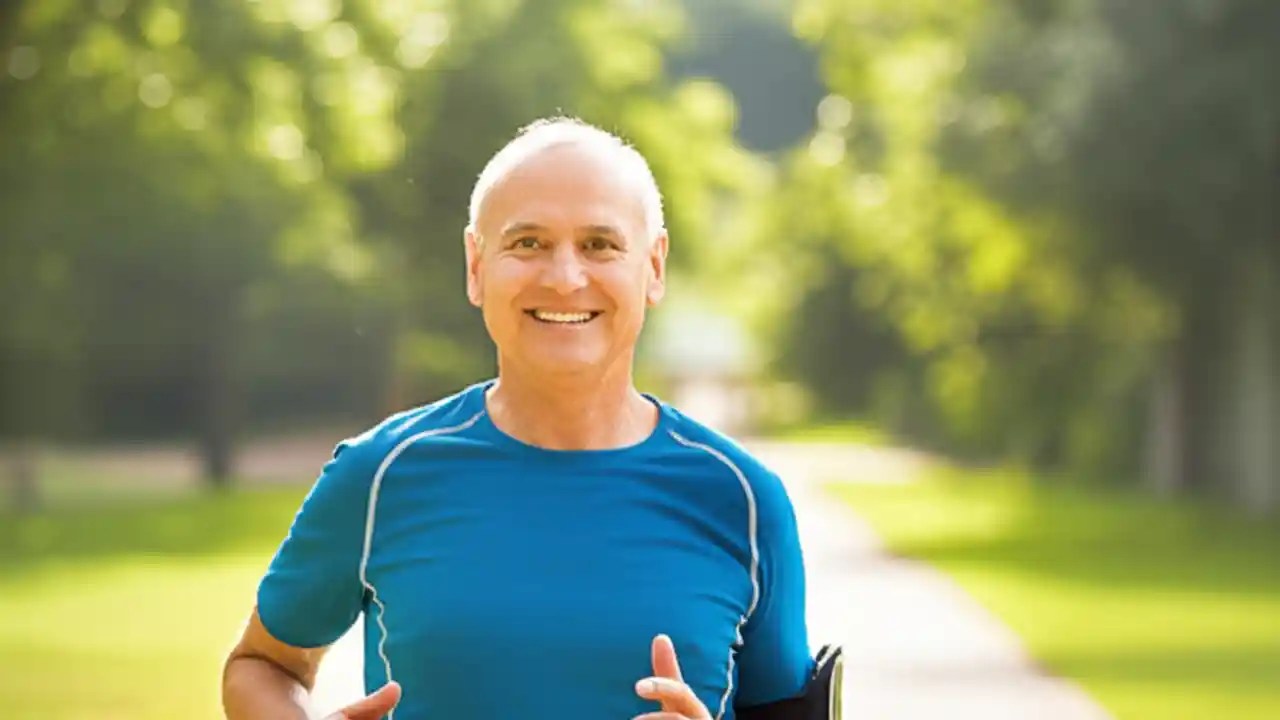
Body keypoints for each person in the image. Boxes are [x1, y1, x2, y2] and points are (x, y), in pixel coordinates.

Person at [221, 117, 820, 720]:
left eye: (599, 244)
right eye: (528, 243)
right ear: (476, 265)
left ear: (654, 267)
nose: (564, 278)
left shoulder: (743, 499)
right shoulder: (379, 474)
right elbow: (263, 665)